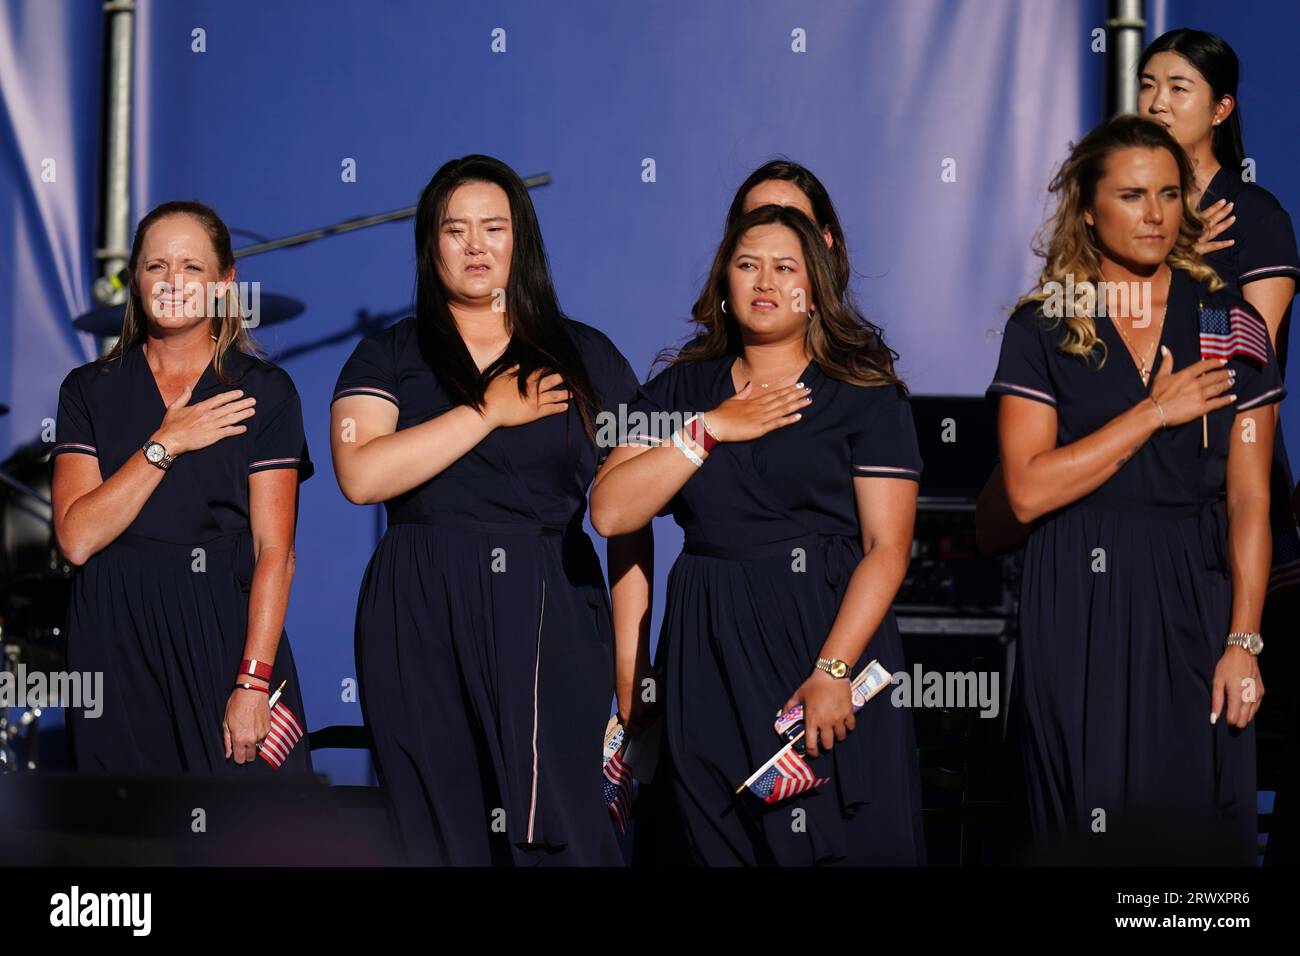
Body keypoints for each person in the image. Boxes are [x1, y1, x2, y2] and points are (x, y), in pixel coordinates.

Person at [330, 154, 651, 865]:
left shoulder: (588, 357)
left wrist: (633, 666)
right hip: (417, 607)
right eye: (456, 230)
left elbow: (631, 517)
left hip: (552, 609)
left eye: (494, 227)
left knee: (562, 826)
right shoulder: (390, 353)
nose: (476, 245)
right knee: (438, 833)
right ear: (430, 244)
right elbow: (360, 474)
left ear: (521, 241)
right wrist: (486, 412)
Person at [983, 115, 1280, 863]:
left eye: (1170, 194)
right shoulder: (1045, 324)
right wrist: (1154, 412)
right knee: (1080, 829)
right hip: (1075, 597)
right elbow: (1024, 493)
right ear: (1088, 207)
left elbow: (1249, 498)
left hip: (1194, 594)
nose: (1153, 214)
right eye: (1132, 195)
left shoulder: (1228, 322)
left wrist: (1244, 640)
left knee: (1192, 837)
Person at [591, 202, 925, 865]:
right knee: (716, 835)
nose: (764, 282)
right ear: (724, 281)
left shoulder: (863, 391)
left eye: (785, 267)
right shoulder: (683, 389)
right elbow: (610, 512)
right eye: (747, 265)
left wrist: (834, 669)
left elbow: (888, 548)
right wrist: (707, 430)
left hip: (819, 635)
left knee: (828, 839)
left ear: (816, 289)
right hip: (706, 638)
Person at [51, 200, 314, 773]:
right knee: (126, 841)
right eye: (155, 266)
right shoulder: (88, 390)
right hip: (113, 640)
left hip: (223, 634)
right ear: (136, 281)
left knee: (254, 835)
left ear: (225, 284)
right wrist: (166, 442)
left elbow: (276, 553)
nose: (172, 282)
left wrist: (252, 681)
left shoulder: (263, 392)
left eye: (192, 267)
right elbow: (76, 539)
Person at [1138, 28, 1300, 863]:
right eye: (1148, 85)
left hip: (1222, 496)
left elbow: (1250, 365)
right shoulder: (1117, 214)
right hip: (1127, 497)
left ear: (1222, 108)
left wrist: (1191, 265)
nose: (1157, 102)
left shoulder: (1258, 218)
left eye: (1178, 88)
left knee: (1211, 763)